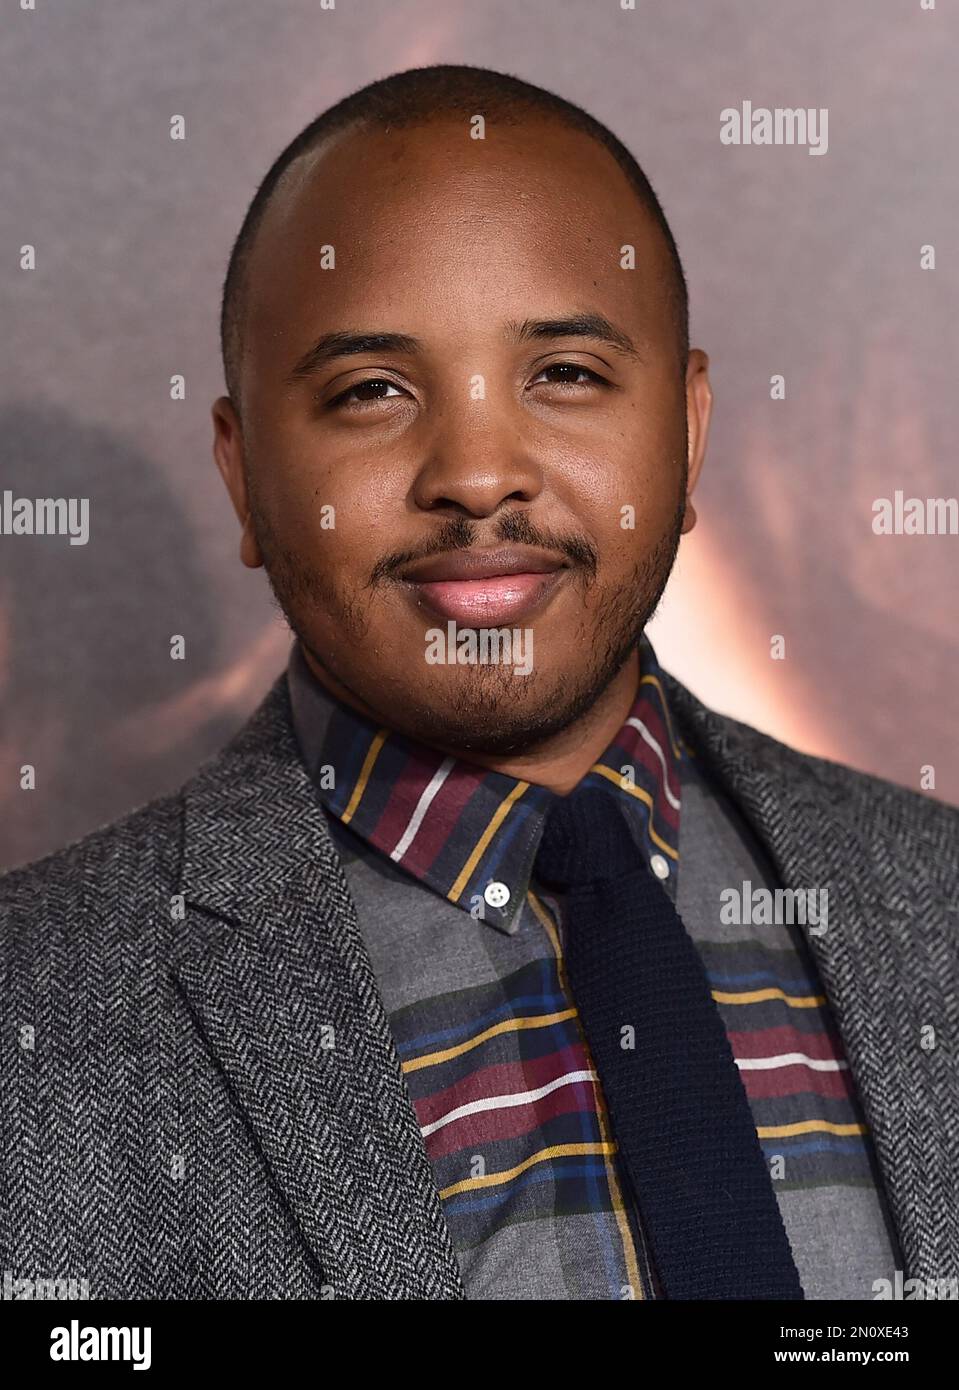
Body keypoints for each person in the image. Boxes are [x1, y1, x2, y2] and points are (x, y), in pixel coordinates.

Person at [2, 64, 956, 1302]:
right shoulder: (43, 1017)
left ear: (685, 430)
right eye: (371, 392)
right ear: (242, 477)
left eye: (562, 372)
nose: (477, 472)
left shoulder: (929, 896)